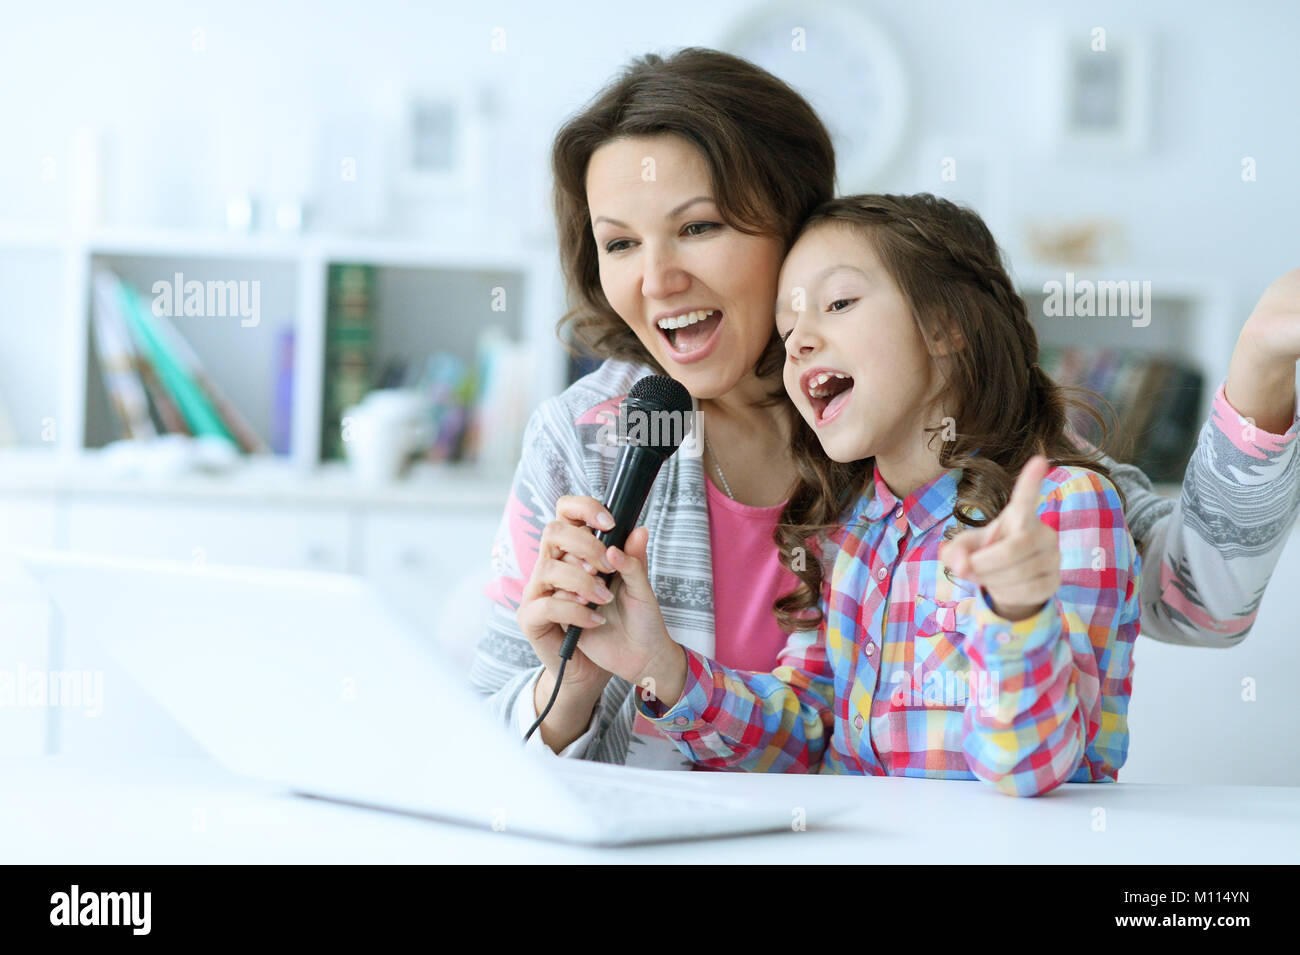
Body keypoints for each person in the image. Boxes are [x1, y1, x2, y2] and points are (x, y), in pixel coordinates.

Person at [471, 48, 1300, 766]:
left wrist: (1262, 372)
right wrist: (569, 684)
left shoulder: (910, 418)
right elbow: (481, 739)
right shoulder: (587, 437)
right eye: (619, 242)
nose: (655, 280)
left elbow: (1204, 599)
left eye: (700, 227)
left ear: (797, 231)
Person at [540, 193, 1139, 795]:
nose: (799, 341)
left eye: (839, 303)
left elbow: (1031, 767)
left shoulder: (1064, 508)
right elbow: (802, 737)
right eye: (787, 327)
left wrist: (1017, 614)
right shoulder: (848, 534)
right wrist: (660, 666)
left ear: (944, 326)